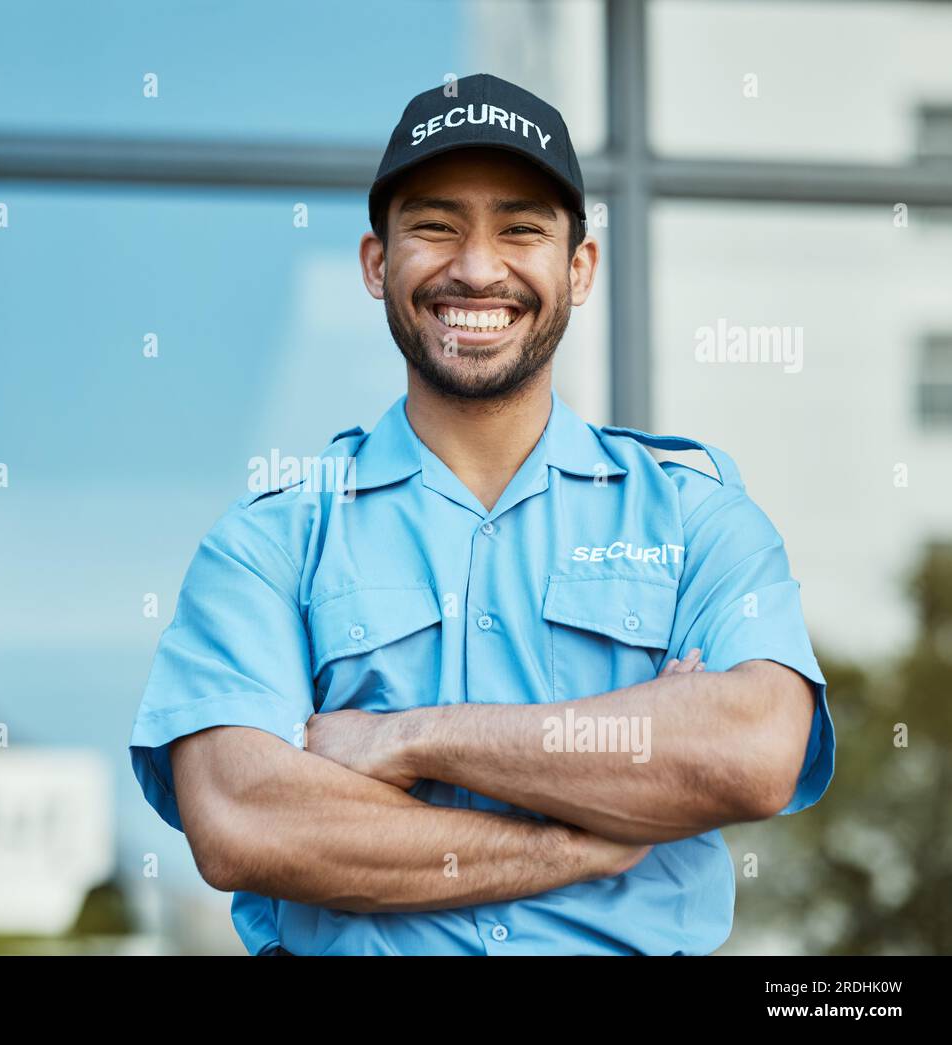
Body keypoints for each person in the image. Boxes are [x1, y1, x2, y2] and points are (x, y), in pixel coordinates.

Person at [128, 73, 835, 956]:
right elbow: (246, 818)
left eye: (521, 228)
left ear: (579, 269)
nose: (475, 266)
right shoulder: (269, 541)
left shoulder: (696, 517)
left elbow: (752, 750)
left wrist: (407, 738)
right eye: (433, 226)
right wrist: (581, 840)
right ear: (376, 263)